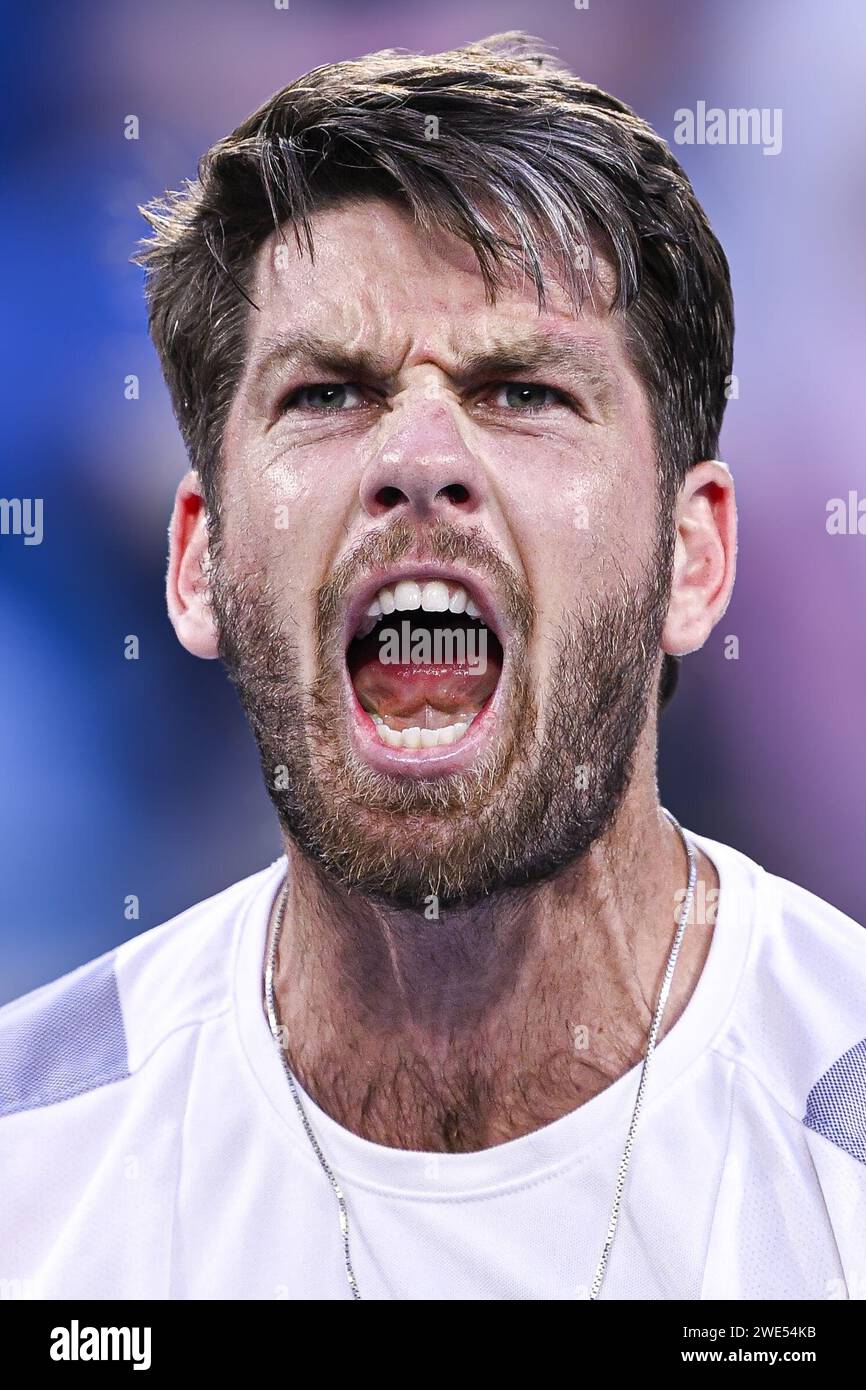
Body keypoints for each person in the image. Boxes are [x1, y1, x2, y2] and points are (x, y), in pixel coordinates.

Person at [1, 32, 863, 1301]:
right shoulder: (32, 1165)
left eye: (519, 390)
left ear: (692, 559)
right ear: (198, 562)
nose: (417, 456)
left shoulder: (835, 1125)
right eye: (328, 393)